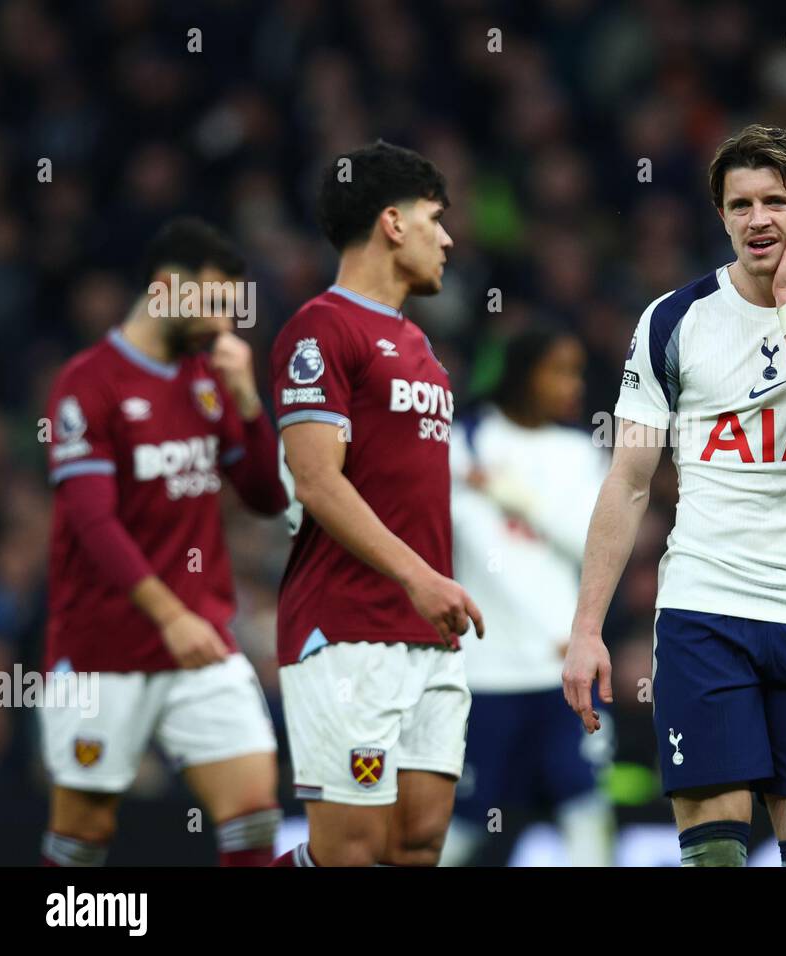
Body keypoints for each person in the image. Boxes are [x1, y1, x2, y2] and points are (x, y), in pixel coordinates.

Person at [562, 125, 786, 867]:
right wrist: (587, 628)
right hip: (702, 614)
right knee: (715, 859)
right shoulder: (671, 321)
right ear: (720, 216)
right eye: (740, 204)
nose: (757, 220)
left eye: (776, 201)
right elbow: (628, 482)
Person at [40, 217, 285, 866]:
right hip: (103, 649)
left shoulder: (207, 379)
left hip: (200, 643)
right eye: (211, 307)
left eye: (231, 313)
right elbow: (94, 525)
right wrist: (168, 615)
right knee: (80, 842)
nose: (222, 328)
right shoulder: (87, 383)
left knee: (255, 815)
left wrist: (249, 402)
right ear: (165, 288)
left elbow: (266, 496)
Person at [269, 141, 483, 867]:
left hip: (428, 633)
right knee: (352, 854)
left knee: (416, 844)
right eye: (434, 218)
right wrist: (418, 576)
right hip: (346, 630)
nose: (447, 237)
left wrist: (429, 589)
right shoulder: (319, 331)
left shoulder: (422, 345)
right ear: (393, 223)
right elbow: (318, 480)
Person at [440, 328, 615, 867]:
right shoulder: (460, 442)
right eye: (558, 369)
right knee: (461, 821)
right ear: (520, 372)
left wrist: (505, 491)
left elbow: (592, 541)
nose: (573, 384)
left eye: (577, 371)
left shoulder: (579, 453)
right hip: (483, 670)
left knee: (586, 811)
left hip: (561, 670)